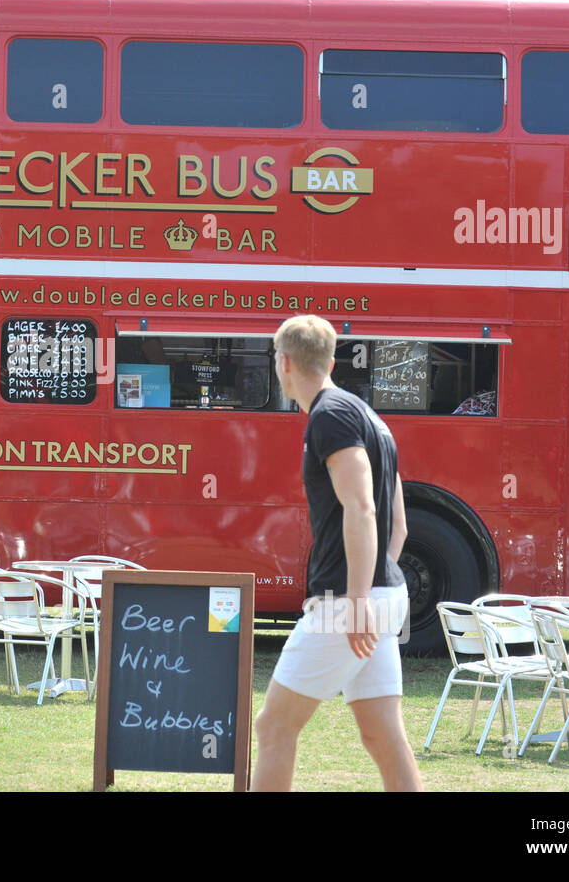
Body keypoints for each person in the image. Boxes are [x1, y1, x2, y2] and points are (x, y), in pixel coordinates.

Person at [251, 315, 422, 792]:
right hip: (384, 593)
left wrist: (356, 599)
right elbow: (400, 526)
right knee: (381, 732)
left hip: (347, 601)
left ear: (283, 363)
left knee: (274, 727)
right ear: (329, 360)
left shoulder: (329, 417)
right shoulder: (370, 417)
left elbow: (362, 506)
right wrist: (372, 592)